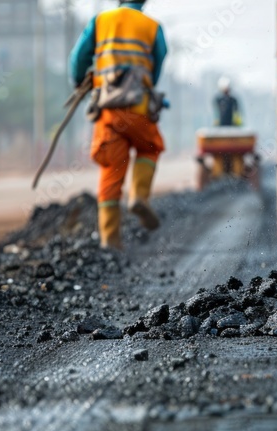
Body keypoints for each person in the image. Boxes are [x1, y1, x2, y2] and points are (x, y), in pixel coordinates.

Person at [69, 0, 168, 250]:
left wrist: (82, 80)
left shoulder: (100, 21)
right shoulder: (152, 26)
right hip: (138, 108)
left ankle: (110, 240)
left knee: (112, 169)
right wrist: (148, 83)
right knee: (150, 147)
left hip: (108, 112)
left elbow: (78, 58)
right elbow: (158, 61)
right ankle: (139, 196)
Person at [213, 76, 245, 178]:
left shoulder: (233, 100)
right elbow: (217, 114)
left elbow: (237, 114)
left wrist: (237, 125)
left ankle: (237, 174)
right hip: (221, 128)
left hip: (233, 129)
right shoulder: (217, 99)